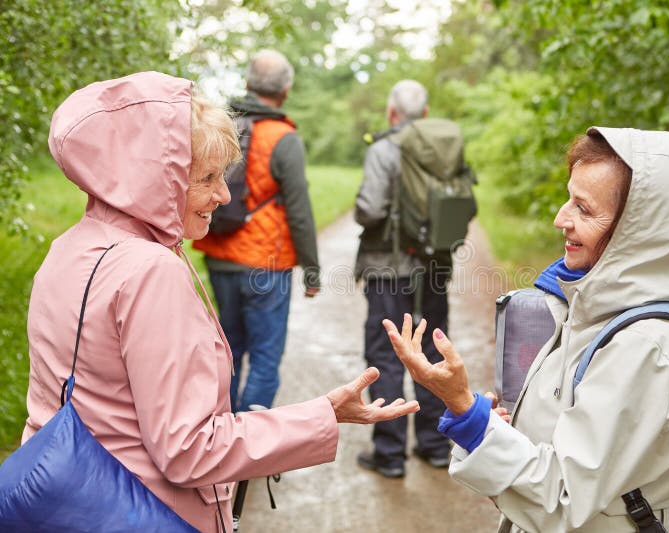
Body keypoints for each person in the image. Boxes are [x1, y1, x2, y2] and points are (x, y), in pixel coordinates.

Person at [24, 71, 419, 533]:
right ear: (152, 177)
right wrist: (321, 415)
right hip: (142, 511)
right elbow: (188, 451)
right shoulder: (151, 271)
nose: (224, 195)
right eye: (207, 178)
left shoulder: (68, 248)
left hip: (64, 501)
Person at [384, 127, 669, 531]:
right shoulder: (599, 309)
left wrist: (465, 412)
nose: (561, 218)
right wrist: (503, 431)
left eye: (584, 209)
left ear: (642, 233)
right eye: (569, 200)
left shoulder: (646, 344)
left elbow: (562, 499)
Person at [193, 49, 319, 412]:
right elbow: (299, 210)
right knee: (265, 358)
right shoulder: (284, 137)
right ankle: (247, 452)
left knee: (228, 351)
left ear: (247, 83)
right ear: (286, 91)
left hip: (220, 257)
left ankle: (219, 437)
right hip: (267, 264)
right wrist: (312, 269)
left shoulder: (221, 125)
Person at [354, 80, 456, 478]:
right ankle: (434, 446)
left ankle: (390, 455)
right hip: (434, 268)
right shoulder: (443, 150)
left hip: (389, 269)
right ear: (426, 114)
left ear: (391, 112)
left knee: (387, 353)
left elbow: (369, 210)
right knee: (432, 351)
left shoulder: (383, 149)